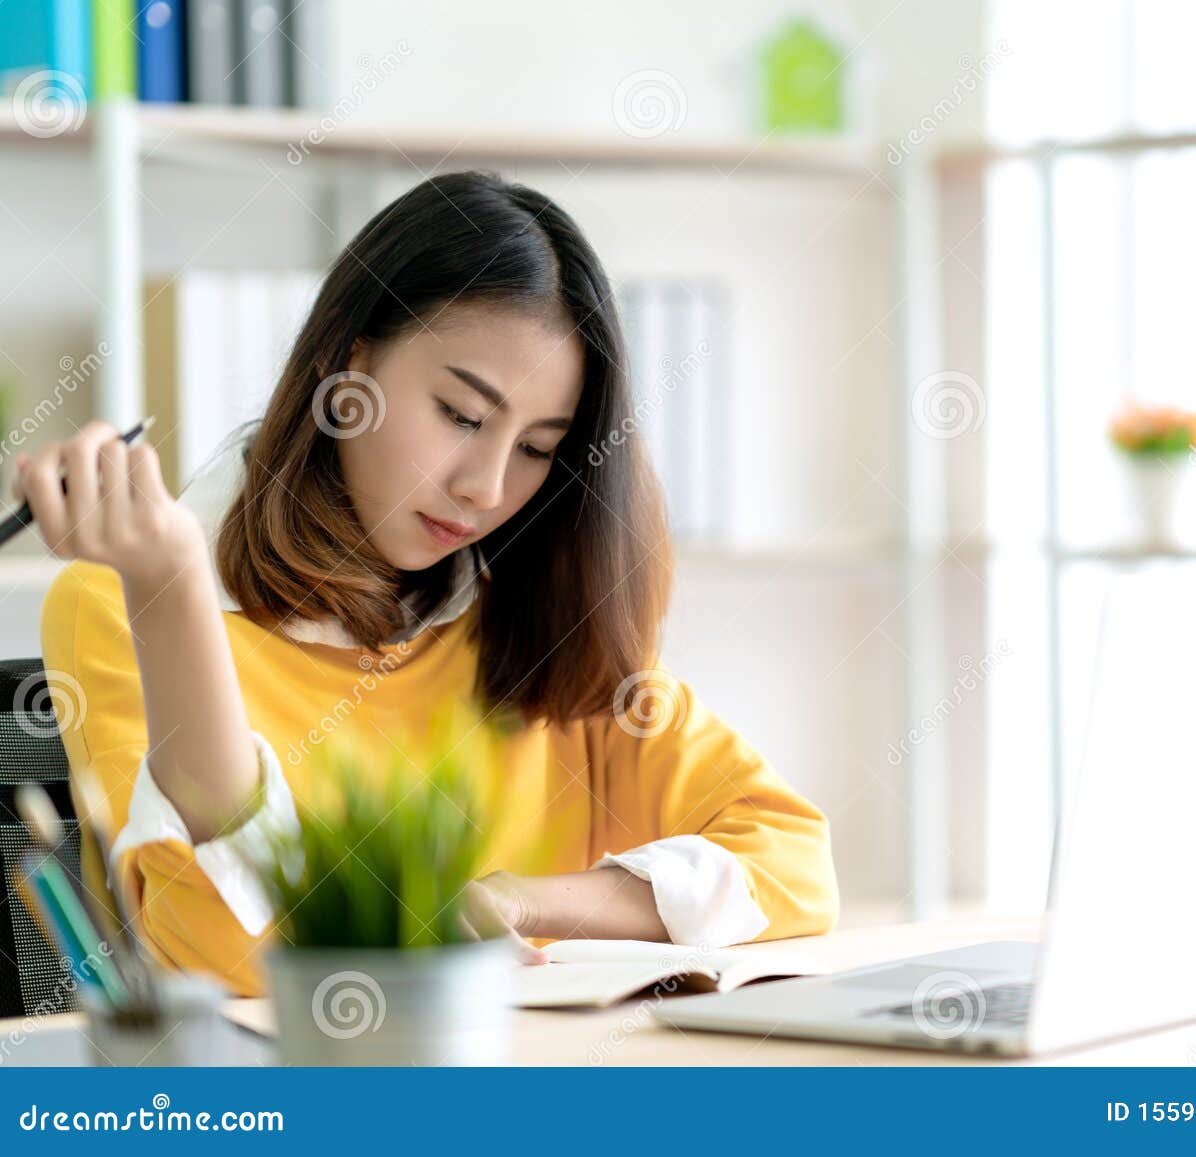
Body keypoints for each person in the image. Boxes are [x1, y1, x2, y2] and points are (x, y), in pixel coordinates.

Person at [19, 170, 838, 997]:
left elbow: (794, 863)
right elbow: (237, 955)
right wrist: (173, 587)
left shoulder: (532, 612)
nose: (485, 485)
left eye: (536, 447)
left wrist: (515, 902)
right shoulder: (124, 600)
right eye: (462, 416)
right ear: (351, 364)